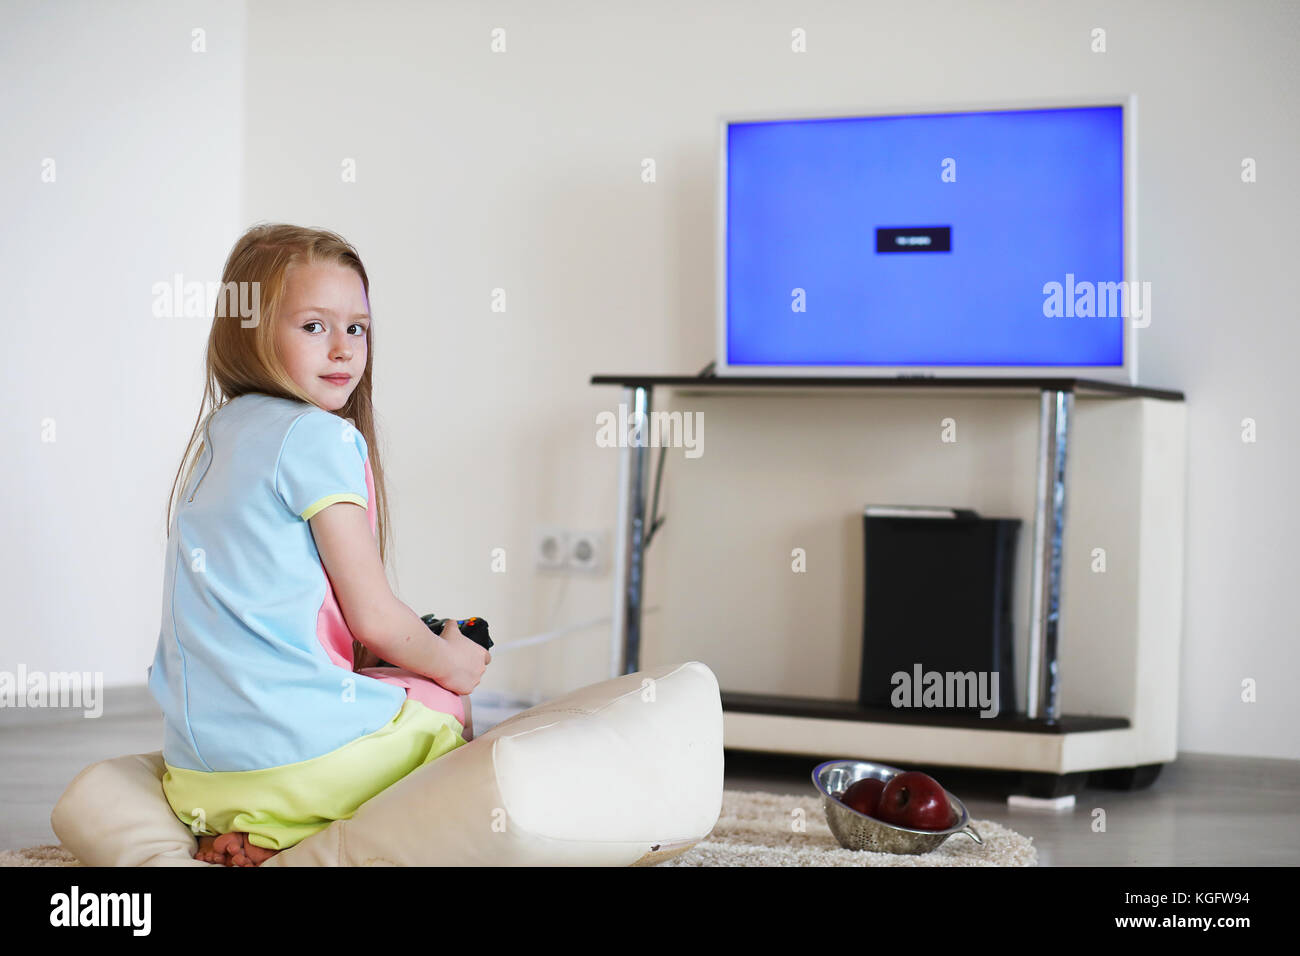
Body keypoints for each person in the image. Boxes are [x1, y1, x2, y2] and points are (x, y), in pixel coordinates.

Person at [146, 223, 490, 867]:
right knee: (447, 707)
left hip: (194, 775)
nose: (342, 350)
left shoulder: (219, 434)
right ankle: (306, 831)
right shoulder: (317, 437)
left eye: (356, 328)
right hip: (292, 760)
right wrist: (451, 664)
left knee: (385, 678)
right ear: (248, 331)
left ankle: (252, 831)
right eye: (313, 326)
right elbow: (375, 617)